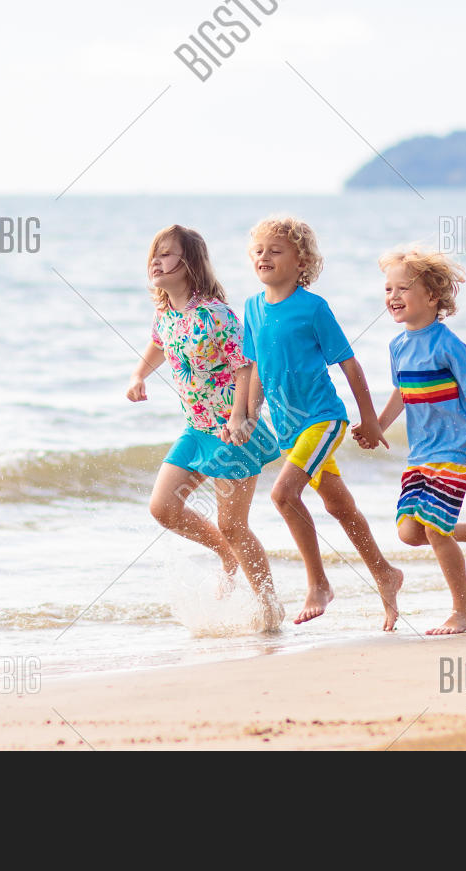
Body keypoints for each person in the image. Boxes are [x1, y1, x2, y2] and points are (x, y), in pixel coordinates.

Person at [242, 215, 402, 627]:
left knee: (282, 496)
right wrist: (247, 414)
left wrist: (370, 421)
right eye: (259, 250)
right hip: (288, 429)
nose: (265, 257)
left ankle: (319, 584)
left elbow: (349, 364)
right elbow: (257, 366)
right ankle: (385, 573)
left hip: (323, 418)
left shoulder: (313, 308)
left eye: (276, 251)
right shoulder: (252, 308)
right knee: (339, 506)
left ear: (301, 263)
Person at [127, 224, 285, 631]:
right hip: (196, 429)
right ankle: (226, 554)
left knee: (235, 524)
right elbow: (159, 342)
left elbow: (246, 366)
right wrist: (139, 375)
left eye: (166, 254)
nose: (156, 261)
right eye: (154, 254)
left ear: (190, 262)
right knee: (163, 508)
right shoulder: (166, 314)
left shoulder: (215, 314)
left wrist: (240, 415)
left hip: (234, 431)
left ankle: (269, 604)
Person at [356, 245, 466, 635]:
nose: (393, 296)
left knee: (434, 530)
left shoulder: (448, 344)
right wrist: (376, 424)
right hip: (420, 453)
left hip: (455, 449)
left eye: (402, 289)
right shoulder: (397, 346)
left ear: (431, 297)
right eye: (388, 289)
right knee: (409, 532)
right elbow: (401, 393)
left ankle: (465, 609)